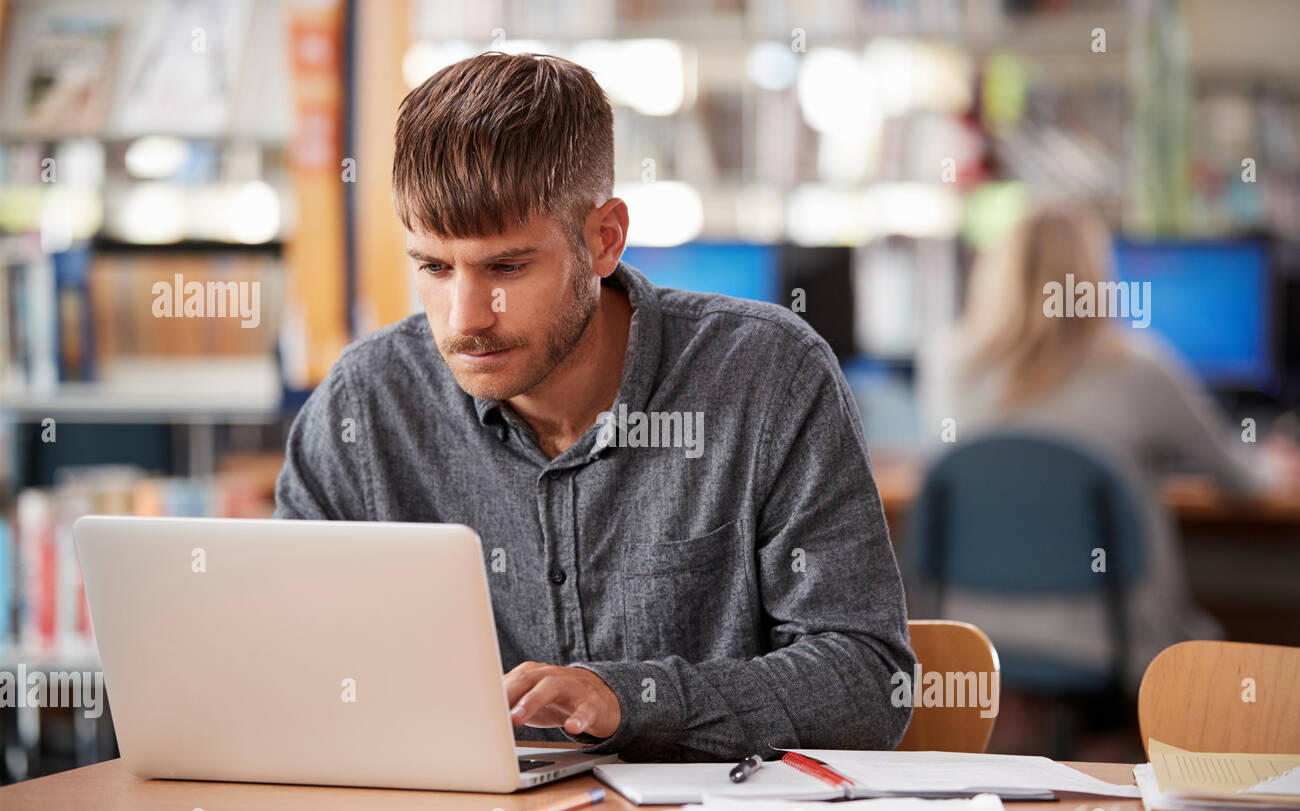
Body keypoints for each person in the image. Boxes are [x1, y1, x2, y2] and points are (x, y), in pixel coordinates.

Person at [273, 52, 913, 761]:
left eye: (507, 267)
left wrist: (631, 698)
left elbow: (866, 680)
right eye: (433, 267)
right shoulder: (367, 403)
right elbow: (286, 662)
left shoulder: (768, 378)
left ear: (603, 239)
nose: (464, 319)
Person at [919, 204, 1298, 694]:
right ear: (1095, 273)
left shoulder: (948, 366)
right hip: (1113, 639)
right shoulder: (1140, 368)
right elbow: (1241, 481)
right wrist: (1273, 460)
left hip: (972, 637)